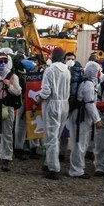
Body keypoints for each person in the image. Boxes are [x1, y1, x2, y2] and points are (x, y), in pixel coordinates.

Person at [36, 47, 70, 180]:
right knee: (57, 136)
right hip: (64, 104)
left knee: (51, 138)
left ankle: (53, 168)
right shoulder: (67, 71)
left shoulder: (50, 71)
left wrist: (37, 100)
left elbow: (45, 92)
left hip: (52, 104)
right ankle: (48, 162)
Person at [67, 60, 101, 178]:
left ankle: (78, 168)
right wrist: (97, 120)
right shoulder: (89, 85)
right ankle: (76, 170)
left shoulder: (86, 82)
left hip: (80, 117)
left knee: (81, 143)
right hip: (81, 118)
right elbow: (89, 103)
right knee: (79, 143)